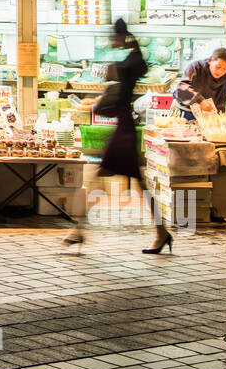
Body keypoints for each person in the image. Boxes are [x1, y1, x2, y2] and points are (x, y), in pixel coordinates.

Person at [66, 19, 172, 255]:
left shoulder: (131, 61)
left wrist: (116, 71)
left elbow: (130, 74)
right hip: (123, 127)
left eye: (114, 38)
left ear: (121, 37)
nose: (111, 42)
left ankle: (78, 229)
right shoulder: (131, 60)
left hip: (123, 128)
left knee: (106, 178)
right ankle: (161, 231)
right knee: (131, 181)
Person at [173, 47, 226, 121]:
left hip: (207, 115)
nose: (220, 71)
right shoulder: (195, 67)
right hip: (184, 110)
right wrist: (200, 101)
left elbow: (221, 102)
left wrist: (219, 117)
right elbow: (181, 90)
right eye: (218, 67)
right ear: (210, 60)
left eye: (224, 68)